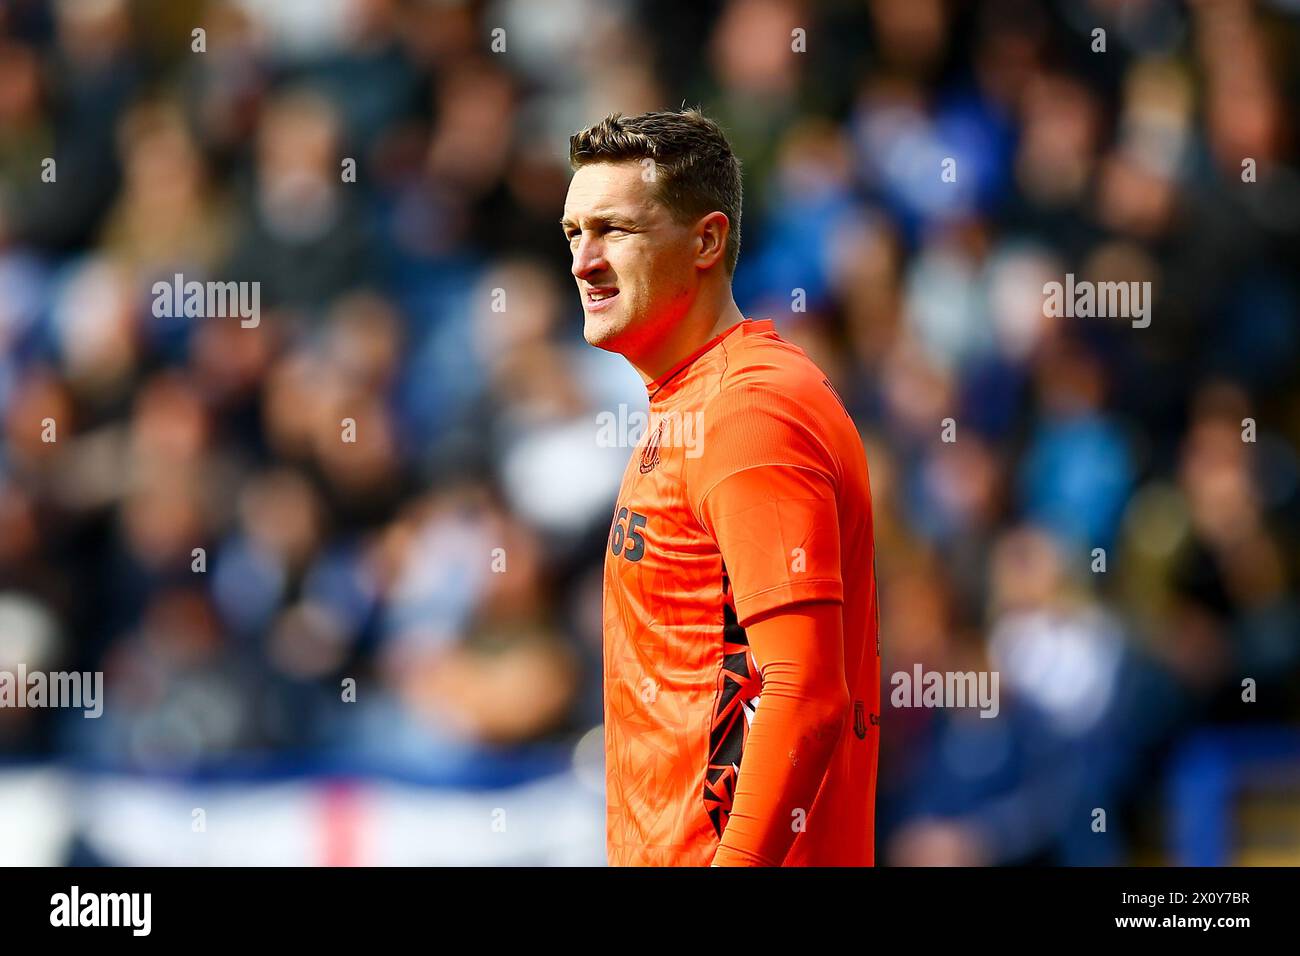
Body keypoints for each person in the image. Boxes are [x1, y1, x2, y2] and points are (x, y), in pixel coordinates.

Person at [562, 108, 880, 866]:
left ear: (706, 240)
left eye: (615, 230)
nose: (583, 261)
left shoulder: (748, 410)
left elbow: (805, 692)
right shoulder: (694, 403)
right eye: (574, 233)